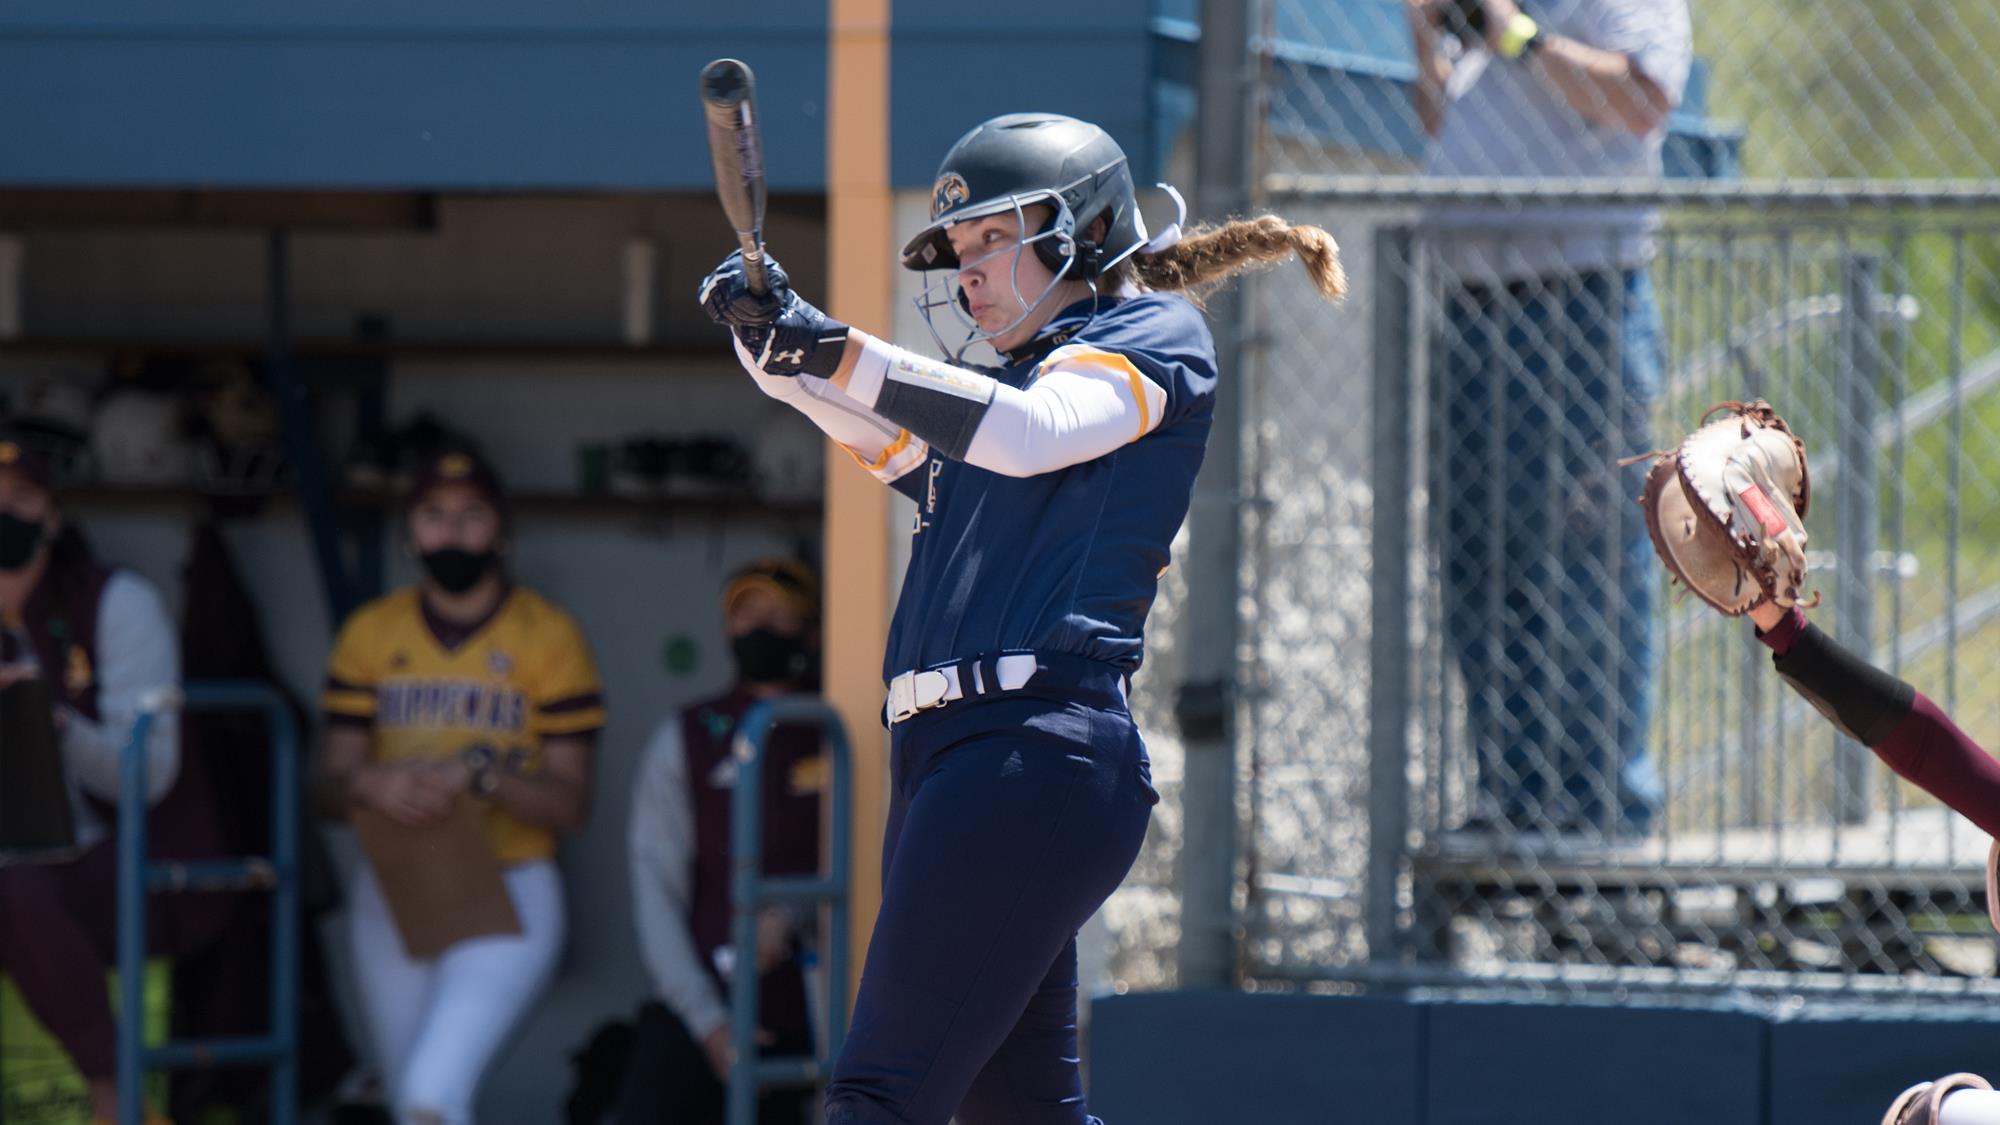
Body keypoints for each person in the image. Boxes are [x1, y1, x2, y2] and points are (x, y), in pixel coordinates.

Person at [699, 112, 1344, 1124]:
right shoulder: (1002, 392)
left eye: (991, 240)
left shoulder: (1150, 336)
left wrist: (832, 345)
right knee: (1019, 1114)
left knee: (877, 1096)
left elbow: (1030, 435)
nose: (968, 274)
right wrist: (768, 342)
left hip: (1031, 754)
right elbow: (879, 420)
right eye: (958, 252)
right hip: (952, 764)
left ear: (1082, 230)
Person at [1408, 0, 1693, 841]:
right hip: (1474, 310)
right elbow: (1440, 121)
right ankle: (1517, 795)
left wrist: (1515, 35)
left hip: (1577, 314)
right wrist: (1427, 29)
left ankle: (1600, 806)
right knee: (1483, 561)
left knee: (1585, 561)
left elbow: (1644, 102)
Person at [313, 448, 605, 1125]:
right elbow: (325, 789)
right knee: (407, 1097)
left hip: (510, 884)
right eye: (434, 515)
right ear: (411, 532)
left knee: (431, 1096)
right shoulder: (371, 631)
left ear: (500, 530)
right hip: (395, 884)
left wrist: (481, 773)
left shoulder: (548, 634)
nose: (452, 532)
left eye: (471, 514)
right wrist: (372, 781)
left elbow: (572, 805)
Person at [0, 429, 225, 1125]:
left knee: (9, 877)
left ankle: (112, 1090)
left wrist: (46, 721)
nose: (3, 513)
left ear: (53, 516)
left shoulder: (115, 601)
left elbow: (149, 773)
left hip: (107, 855)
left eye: (21, 499)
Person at [615, 557, 825, 1125]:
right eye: (748, 614)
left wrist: (791, 912)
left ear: (811, 628)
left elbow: (870, 860)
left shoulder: (839, 727)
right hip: (699, 1011)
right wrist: (709, 1022)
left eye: (780, 615)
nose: (762, 628)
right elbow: (655, 888)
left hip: (814, 1011)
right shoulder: (685, 736)